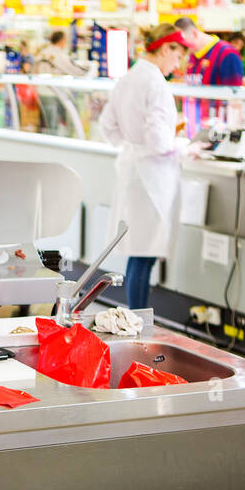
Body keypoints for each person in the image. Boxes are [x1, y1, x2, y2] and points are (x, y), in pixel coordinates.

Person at [98, 22, 193, 312]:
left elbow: (107, 127)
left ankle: (135, 316)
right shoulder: (155, 83)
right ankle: (137, 319)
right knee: (145, 253)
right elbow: (157, 140)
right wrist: (185, 146)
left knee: (139, 249)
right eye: (177, 57)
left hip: (132, 170)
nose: (176, 65)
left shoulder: (128, 78)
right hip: (152, 176)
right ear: (166, 48)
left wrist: (131, 141)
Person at [174, 17, 245, 133]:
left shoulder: (227, 54)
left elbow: (235, 100)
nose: (182, 48)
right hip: (194, 134)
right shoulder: (192, 56)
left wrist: (233, 132)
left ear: (194, 33)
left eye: (184, 43)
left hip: (217, 134)